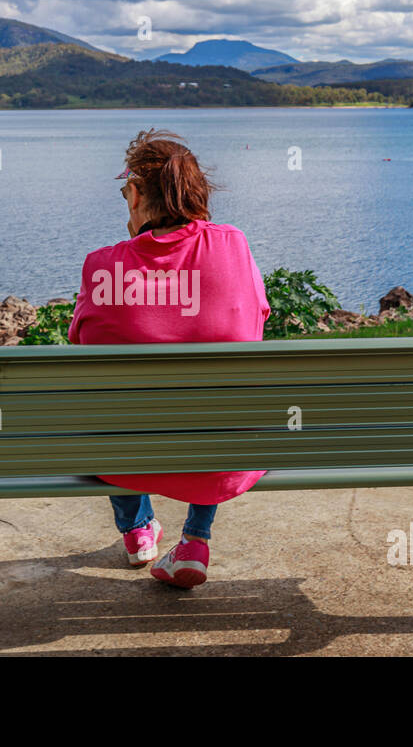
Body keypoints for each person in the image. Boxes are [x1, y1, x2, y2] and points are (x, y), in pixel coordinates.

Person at [67, 129, 270, 588]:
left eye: (125, 193)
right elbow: (256, 320)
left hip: (124, 454)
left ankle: (139, 533)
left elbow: (81, 344)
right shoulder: (233, 246)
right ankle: (195, 540)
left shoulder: (103, 265)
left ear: (137, 194)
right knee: (221, 393)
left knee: (112, 407)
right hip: (223, 452)